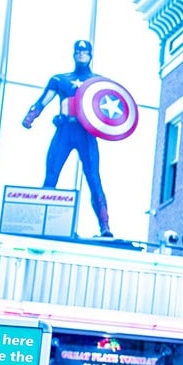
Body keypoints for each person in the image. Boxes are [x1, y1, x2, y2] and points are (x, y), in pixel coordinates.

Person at [22, 40, 110, 237]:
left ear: (90, 55)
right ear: (73, 54)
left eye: (84, 52)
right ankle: (41, 220)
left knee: (94, 178)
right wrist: (31, 116)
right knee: (51, 174)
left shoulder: (98, 82)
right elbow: (44, 100)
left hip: (86, 132)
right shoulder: (59, 79)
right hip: (65, 129)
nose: (81, 54)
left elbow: (109, 107)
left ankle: (104, 225)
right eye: (78, 51)